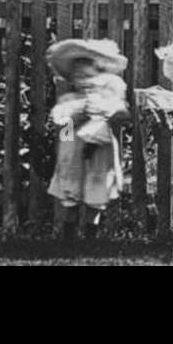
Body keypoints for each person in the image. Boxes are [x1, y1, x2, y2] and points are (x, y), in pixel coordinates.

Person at [46, 38, 129, 240]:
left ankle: (92, 232)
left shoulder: (108, 99)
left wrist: (109, 113)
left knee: (96, 193)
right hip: (72, 154)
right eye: (78, 77)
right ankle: (69, 234)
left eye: (89, 77)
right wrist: (76, 117)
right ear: (71, 80)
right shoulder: (68, 101)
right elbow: (63, 132)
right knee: (70, 193)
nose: (84, 82)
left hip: (99, 155)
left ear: (101, 77)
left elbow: (124, 118)